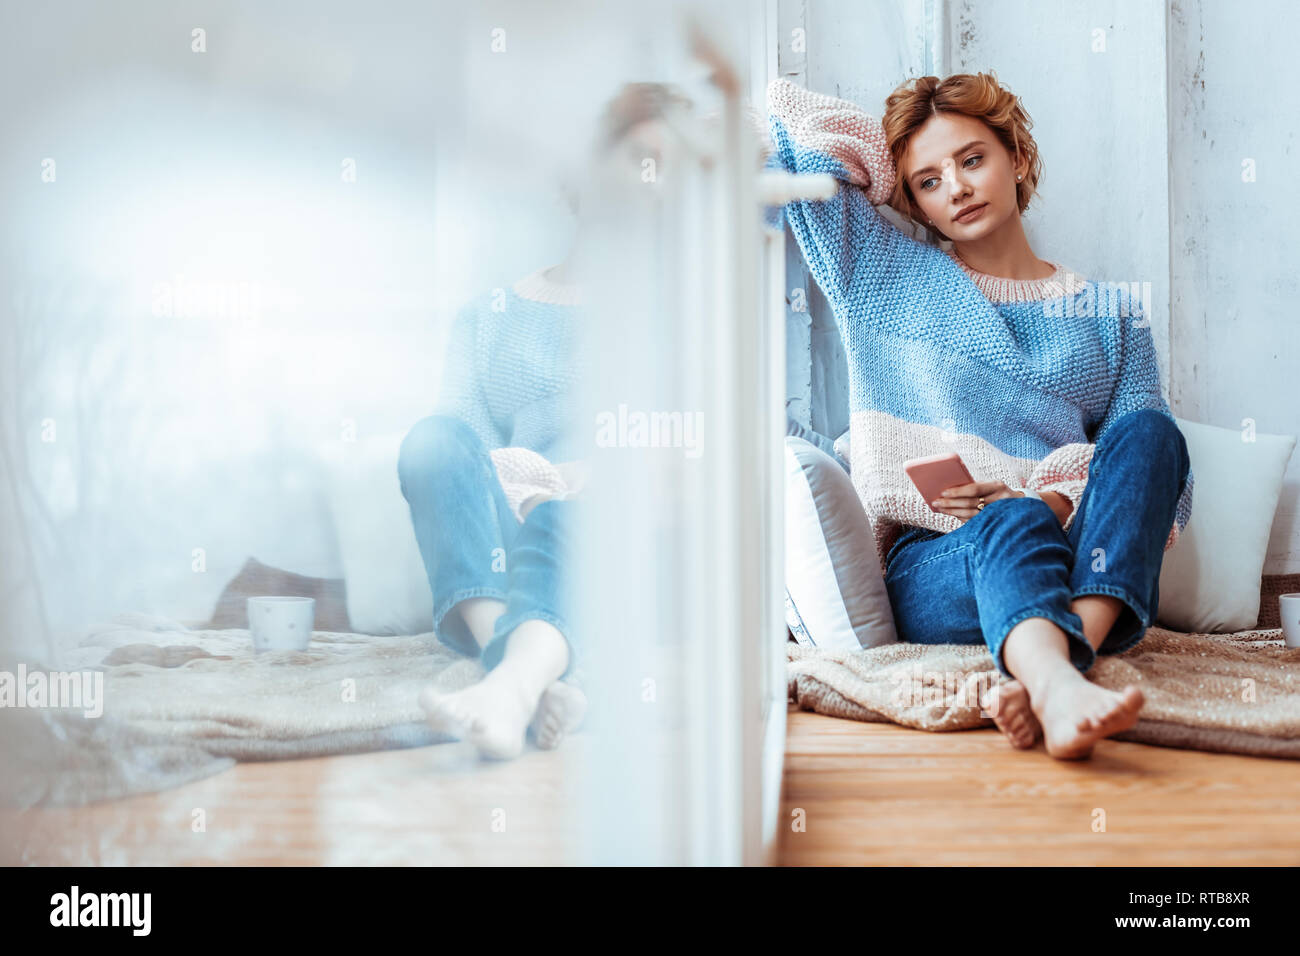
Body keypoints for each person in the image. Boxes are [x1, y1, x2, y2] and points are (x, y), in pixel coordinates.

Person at [766, 72, 1193, 760]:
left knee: (1154, 436)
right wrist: (885, 169)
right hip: (938, 566)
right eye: (928, 181)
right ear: (914, 202)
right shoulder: (882, 276)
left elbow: (1157, 480)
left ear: (1016, 158)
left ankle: (1051, 674)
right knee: (1010, 519)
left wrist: (1052, 498)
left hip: (1074, 554)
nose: (956, 188)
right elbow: (787, 122)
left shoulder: (1111, 316)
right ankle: (1062, 676)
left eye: (971, 159)